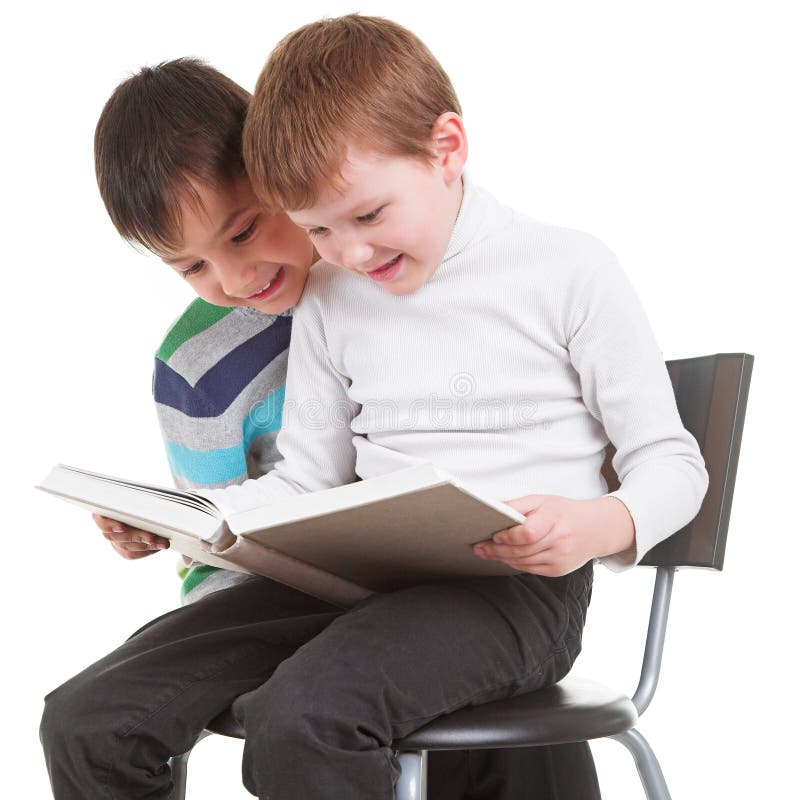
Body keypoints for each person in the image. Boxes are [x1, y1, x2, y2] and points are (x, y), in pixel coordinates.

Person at [39, 57, 603, 798]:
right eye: (192, 268)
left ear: (286, 176)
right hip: (296, 605)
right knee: (88, 720)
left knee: (404, 705)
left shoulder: (416, 278)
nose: (235, 279)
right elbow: (219, 550)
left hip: (470, 589)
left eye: (245, 231)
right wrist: (172, 529)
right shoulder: (196, 363)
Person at [202, 13, 704, 799]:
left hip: (521, 594)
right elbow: (307, 477)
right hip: (384, 590)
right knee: (280, 710)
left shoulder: (568, 269)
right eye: (318, 232)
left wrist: (597, 525)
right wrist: (188, 515)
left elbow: (672, 461)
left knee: (305, 717)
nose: (351, 255)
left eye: (369, 216)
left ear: (447, 149)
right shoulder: (333, 300)